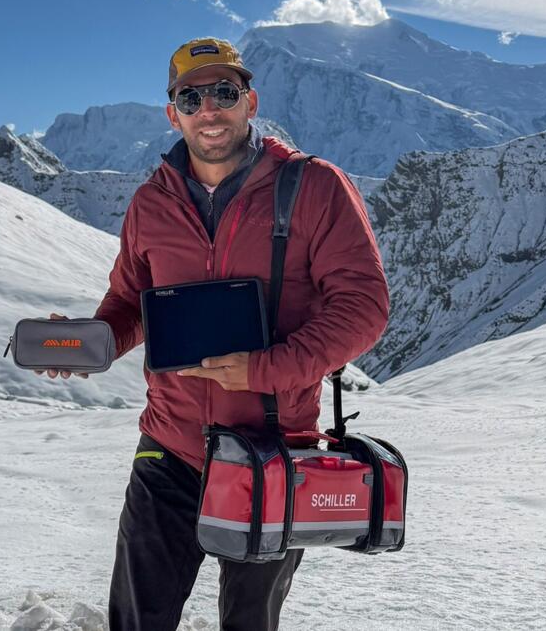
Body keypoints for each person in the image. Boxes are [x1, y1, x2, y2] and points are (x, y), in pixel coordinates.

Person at [40, 37, 389, 631]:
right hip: (168, 450)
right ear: (172, 112)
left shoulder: (314, 187)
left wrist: (265, 369)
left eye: (224, 92)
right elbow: (131, 302)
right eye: (191, 95)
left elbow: (365, 306)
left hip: (272, 451)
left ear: (249, 102)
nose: (210, 108)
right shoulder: (152, 202)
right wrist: (92, 341)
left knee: (249, 624)